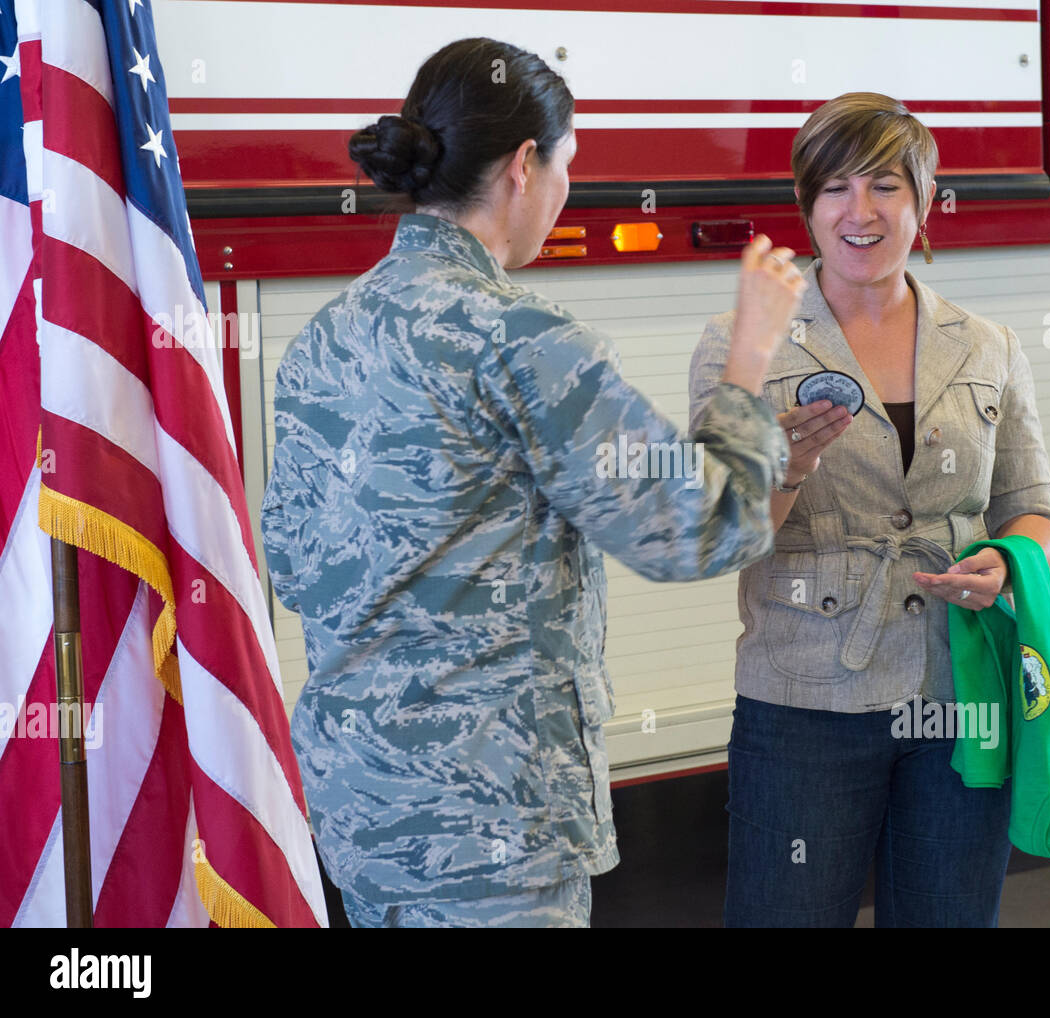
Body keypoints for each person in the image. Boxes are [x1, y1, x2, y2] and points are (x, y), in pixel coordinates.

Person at [259, 37, 807, 928]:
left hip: (359, 809)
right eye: (567, 166)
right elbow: (701, 526)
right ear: (523, 166)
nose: (566, 191)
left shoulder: (327, 334)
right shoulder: (525, 338)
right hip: (491, 825)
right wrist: (748, 359)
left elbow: (293, 565)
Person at [688, 92, 1050, 928]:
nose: (859, 212)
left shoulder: (988, 344)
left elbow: (1034, 506)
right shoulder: (742, 343)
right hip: (803, 703)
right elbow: (716, 533)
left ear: (925, 200)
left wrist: (1006, 560)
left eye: (886, 186)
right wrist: (786, 467)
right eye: (834, 188)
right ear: (807, 205)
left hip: (959, 691)